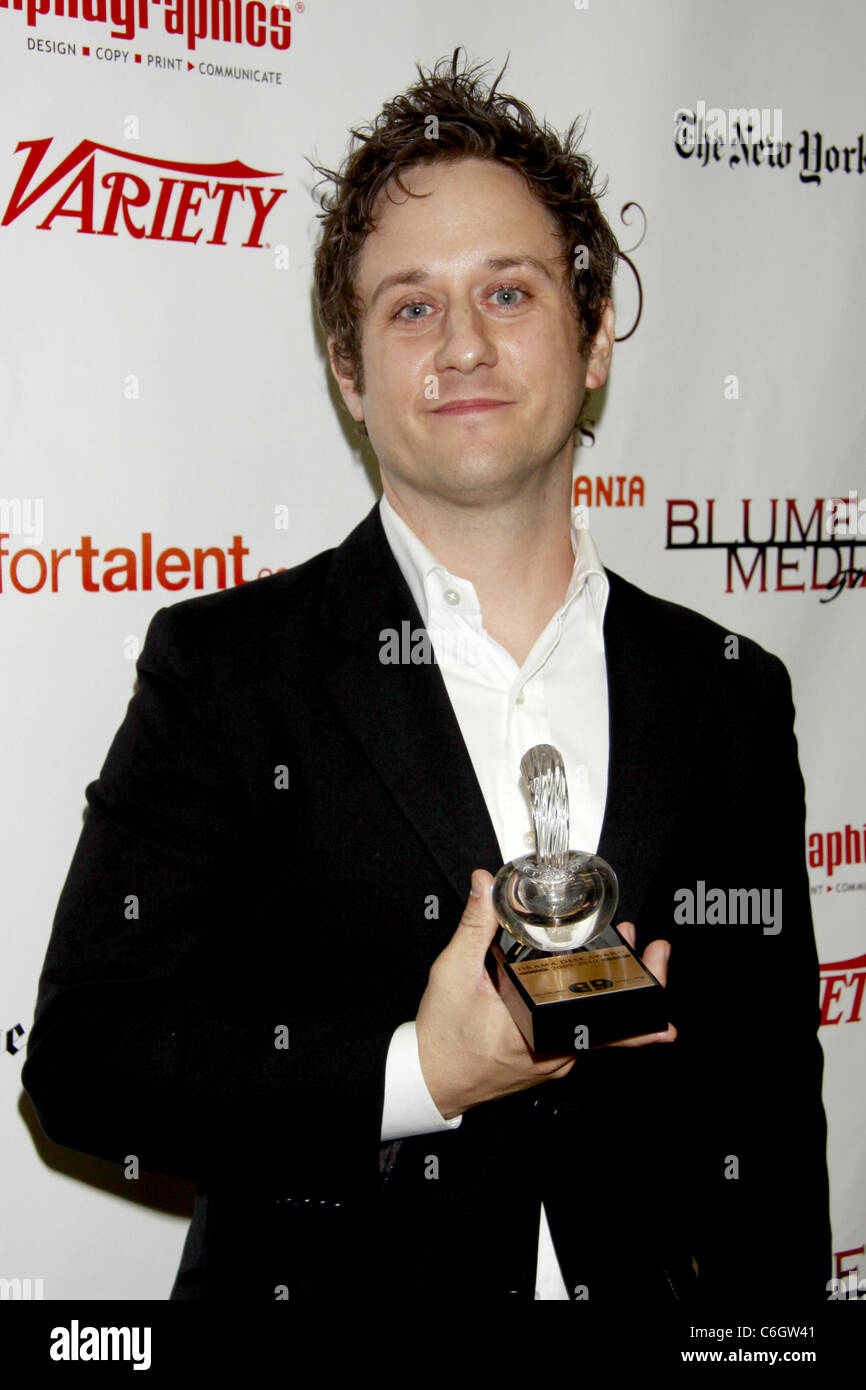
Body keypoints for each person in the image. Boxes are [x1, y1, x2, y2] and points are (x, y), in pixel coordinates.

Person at [22, 50, 831, 1304]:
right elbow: (84, 1063)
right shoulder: (229, 672)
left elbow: (771, 1115)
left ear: (594, 334)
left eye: (507, 293)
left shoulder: (726, 688)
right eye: (408, 306)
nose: (460, 342)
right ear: (350, 373)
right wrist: (418, 1072)